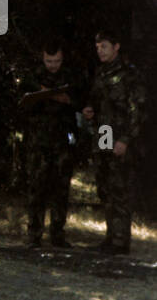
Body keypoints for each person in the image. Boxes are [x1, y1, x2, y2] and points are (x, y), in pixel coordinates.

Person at [82, 28, 144, 254]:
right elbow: (96, 101)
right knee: (106, 186)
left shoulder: (129, 75)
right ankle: (110, 237)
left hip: (120, 136)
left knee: (120, 187)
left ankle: (121, 240)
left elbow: (137, 111)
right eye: (97, 47)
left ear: (116, 47)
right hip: (103, 132)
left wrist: (125, 140)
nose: (100, 51)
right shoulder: (101, 73)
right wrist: (89, 109)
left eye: (104, 46)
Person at [19, 39, 85, 248]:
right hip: (38, 142)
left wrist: (66, 101)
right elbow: (22, 104)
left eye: (56, 61)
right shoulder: (33, 76)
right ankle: (34, 233)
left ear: (62, 58)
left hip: (62, 141)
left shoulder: (71, 77)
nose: (52, 65)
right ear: (43, 58)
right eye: (49, 61)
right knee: (36, 188)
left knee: (61, 188)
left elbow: (81, 102)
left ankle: (58, 233)